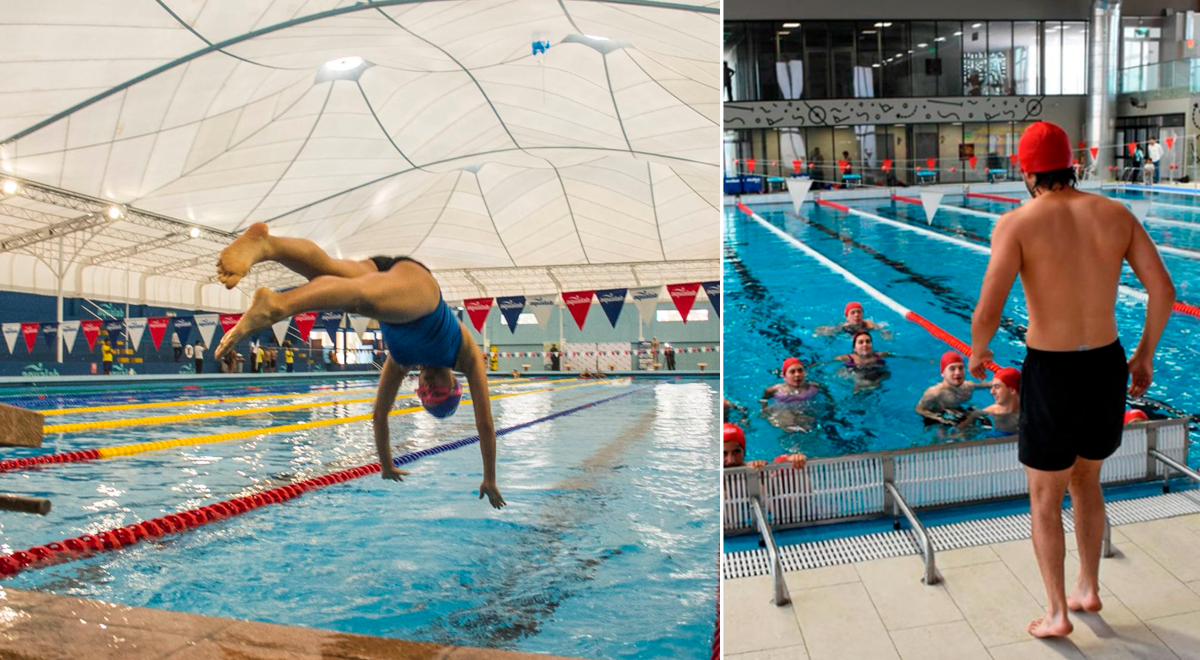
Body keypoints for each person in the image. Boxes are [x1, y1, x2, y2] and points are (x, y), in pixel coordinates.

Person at [968, 120, 1174, 638]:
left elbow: (990, 306)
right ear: (1072, 164)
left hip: (1053, 369)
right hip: (1106, 363)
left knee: (1044, 494)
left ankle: (1057, 612)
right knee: (1087, 480)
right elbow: (1164, 291)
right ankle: (1088, 588)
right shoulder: (1115, 213)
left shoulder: (1017, 222)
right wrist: (1144, 356)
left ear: (1026, 170)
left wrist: (977, 352)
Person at [213, 222, 505, 508]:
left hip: (381, 271)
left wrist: (387, 465)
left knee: (326, 268)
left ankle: (265, 243)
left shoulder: (400, 361)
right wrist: (489, 478)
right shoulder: (464, 355)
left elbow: (379, 415)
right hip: (419, 285)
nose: (428, 389)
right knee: (360, 298)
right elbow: (485, 424)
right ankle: (278, 305)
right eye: (438, 394)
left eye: (424, 396)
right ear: (455, 386)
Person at [915, 351, 989, 426]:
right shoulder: (934, 393)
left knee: (979, 414)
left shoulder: (968, 386)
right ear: (943, 373)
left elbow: (987, 385)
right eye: (952, 369)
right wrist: (938, 418)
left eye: (961, 368)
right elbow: (919, 409)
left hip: (955, 411)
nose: (958, 372)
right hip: (937, 417)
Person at [761, 357, 822, 433]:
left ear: (805, 373)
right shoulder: (775, 390)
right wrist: (765, 411)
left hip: (805, 413)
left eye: (800, 371)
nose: (797, 374)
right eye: (792, 372)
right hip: (784, 413)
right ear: (784, 376)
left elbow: (828, 395)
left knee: (810, 427)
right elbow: (763, 399)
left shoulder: (814, 387)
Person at [958, 367, 1021, 434]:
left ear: (1012, 390)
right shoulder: (990, 412)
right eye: (992, 387)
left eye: (997, 387)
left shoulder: (1030, 411)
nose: (991, 392)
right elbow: (961, 430)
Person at [816, 301, 891, 338]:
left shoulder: (868, 324)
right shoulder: (844, 327)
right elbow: (819, 330)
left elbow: (884, 329)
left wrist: (885, 334)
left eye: (859, 312)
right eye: (853, 313)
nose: (856, 315)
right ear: (847, 316)